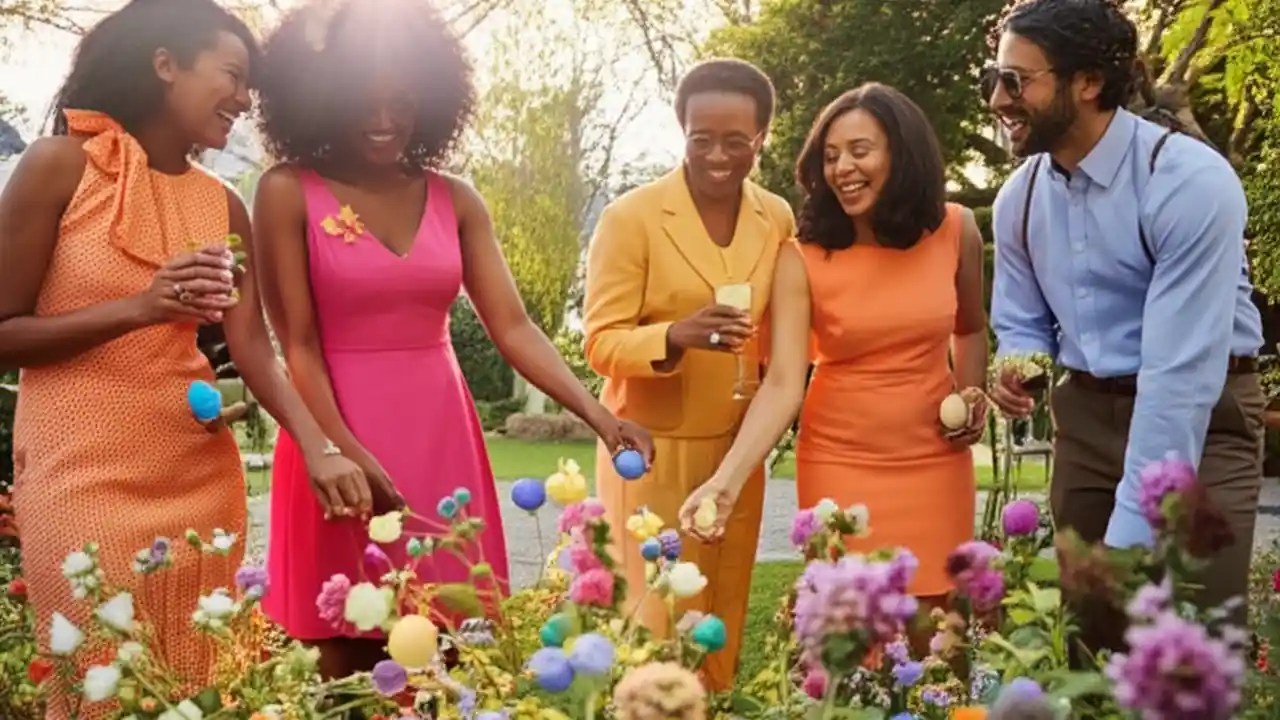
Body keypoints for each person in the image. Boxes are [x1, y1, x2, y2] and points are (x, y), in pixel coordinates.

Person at [252, 0, 651, 678]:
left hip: (441, 434)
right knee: (348, 644)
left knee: (449, 637)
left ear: (431, 101)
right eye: (363, 102)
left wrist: (602, 418)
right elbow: (299, 346)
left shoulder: (456, 197)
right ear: (320, 98)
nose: (384, 121)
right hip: (335, 435)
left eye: (401, 102)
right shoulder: (287, 191)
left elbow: (515, 327)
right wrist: (348, 454)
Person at [0, 1, 369, 716]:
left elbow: (253, 347)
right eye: (231, 74)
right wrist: (141, 307)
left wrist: (319, 447)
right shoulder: (58, 166)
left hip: (194, 474)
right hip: (78, 473)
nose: (243, 97)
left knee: (197, 687)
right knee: (98, 686)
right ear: (164, 64)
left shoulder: (224, 205)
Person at [985, 0, 1264, 645]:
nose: (999, 99)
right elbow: (1023, 321)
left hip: (1205, 415)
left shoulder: (1189, 182)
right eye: (994, 80)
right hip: (1086, 421)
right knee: (1089, 639)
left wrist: (1126, 545)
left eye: (1017, 81)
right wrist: (1019, 363)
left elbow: (1178, 379)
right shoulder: (1017, 199)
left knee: (1194, 630)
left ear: (1087, 82)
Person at [679, 83, 988, 613]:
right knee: (850, 628)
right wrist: (726, 481)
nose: (842, 167)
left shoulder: (957, 230)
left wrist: (973, 392)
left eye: (859, 151)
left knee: (941, 630)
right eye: (830, 156)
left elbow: (971, 326)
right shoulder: (802, 257)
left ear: (901, 151)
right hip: (839, 462)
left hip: (937, 461)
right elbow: (782, 383)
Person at [584, 58, 796, 690]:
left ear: (762, 138)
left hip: (738, 447)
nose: (718, 155)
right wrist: (673, 336)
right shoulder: (632, 217)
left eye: (737, 141)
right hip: (651, 453)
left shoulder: (777, 217)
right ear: (682, 131)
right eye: (702, 138)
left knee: (718, 621)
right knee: (656, 625)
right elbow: (600, 342)